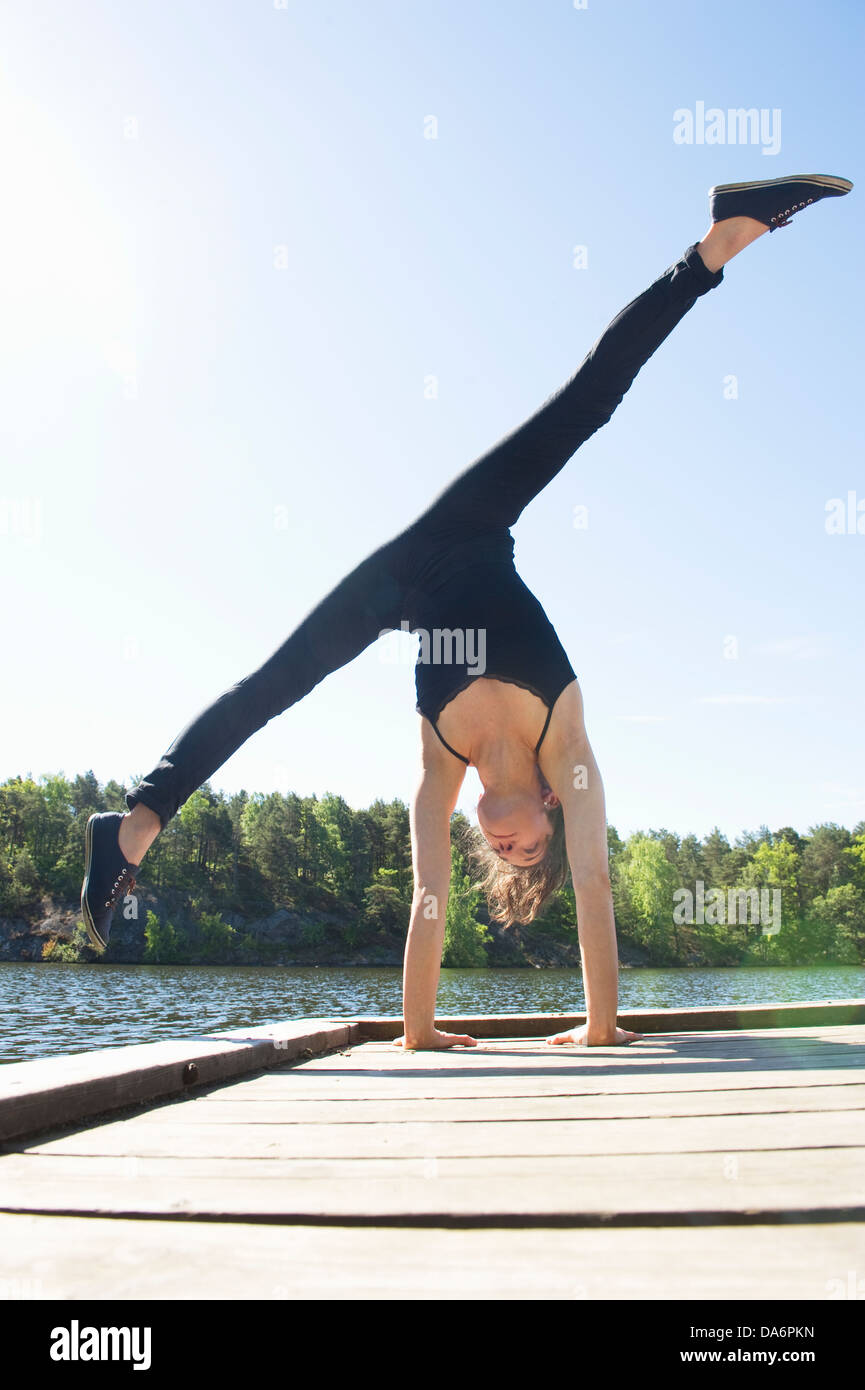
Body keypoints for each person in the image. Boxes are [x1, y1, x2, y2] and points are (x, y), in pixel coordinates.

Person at [81, 174, 852, 1049]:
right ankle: (715, 244)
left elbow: (426, 897)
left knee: (276, 682)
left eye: (505, 858)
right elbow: (594, 881)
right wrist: (601, 1028)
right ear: (551, 813)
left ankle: (129, 828)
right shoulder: (566, 746)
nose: (509, 848)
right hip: (472, 527)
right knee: (585, 405)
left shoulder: (441, 765)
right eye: (528, 851)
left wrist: (420, 1034)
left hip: (398, 591)